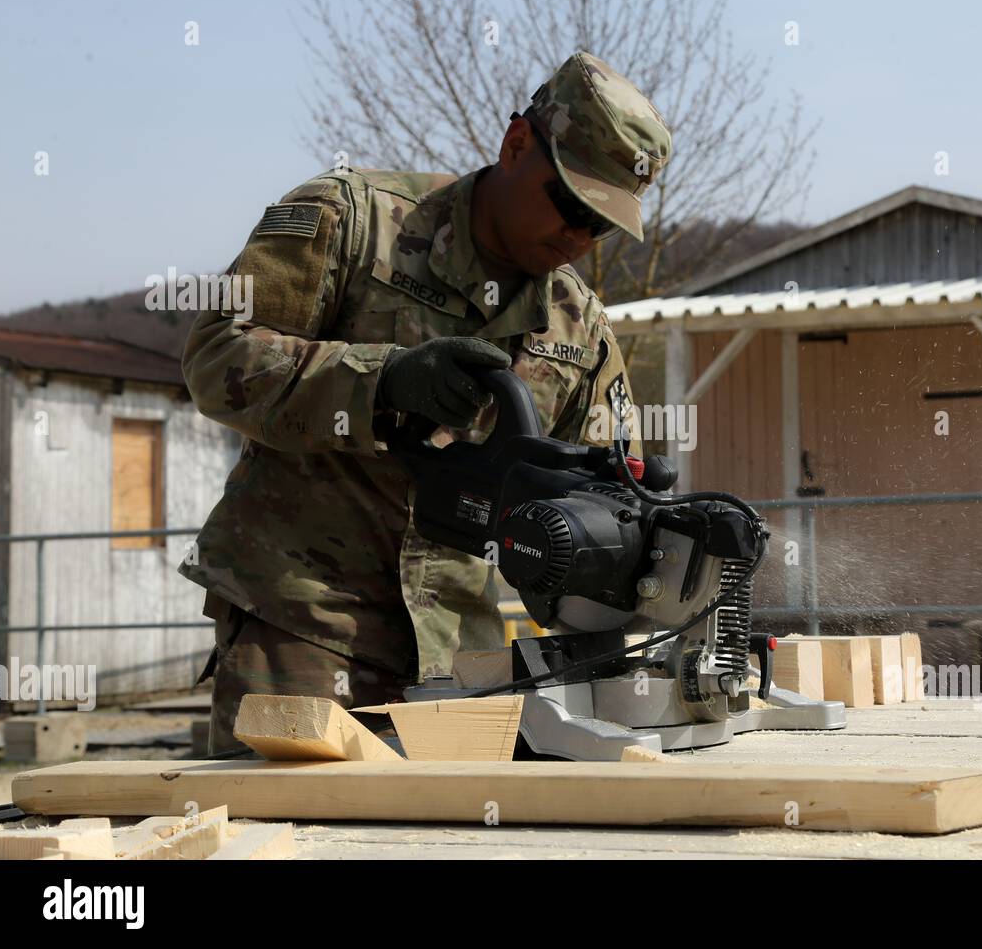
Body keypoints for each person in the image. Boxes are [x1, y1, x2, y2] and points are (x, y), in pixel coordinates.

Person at [179, 51, 672, 753]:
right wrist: (382, 380)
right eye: (568, 204)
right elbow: (216, 355)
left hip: (459, 658)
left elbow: (604, 494)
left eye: (599, 226)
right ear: (515, 145)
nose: (576, 238)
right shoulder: (349, 221)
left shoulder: (579, 325)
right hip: (303, 624)